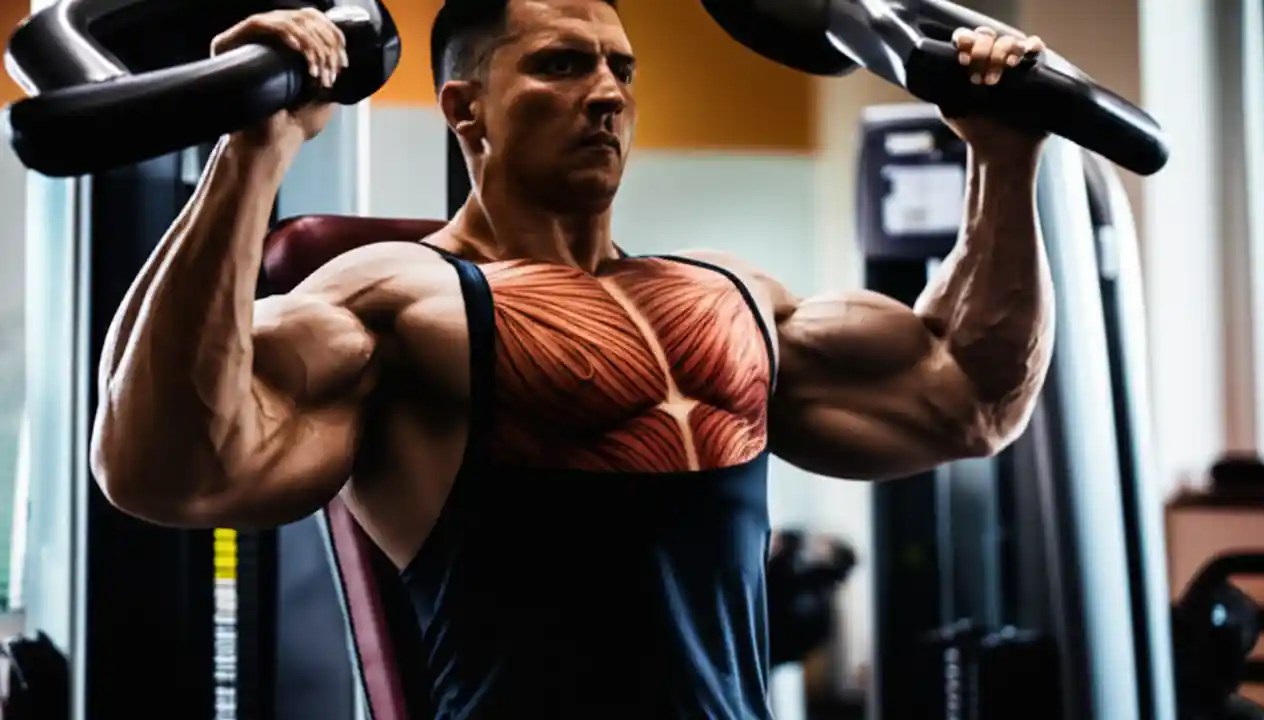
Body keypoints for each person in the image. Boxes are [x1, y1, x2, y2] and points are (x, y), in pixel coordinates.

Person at [89, 0, 1052, 716]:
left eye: (620, 69)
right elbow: (166, 464)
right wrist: (251, 152)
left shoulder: (727, 294)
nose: (605, 95)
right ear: (466, 109)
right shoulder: (395, 298)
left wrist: (1004, 160)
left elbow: (969, 398)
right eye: (559, 64)